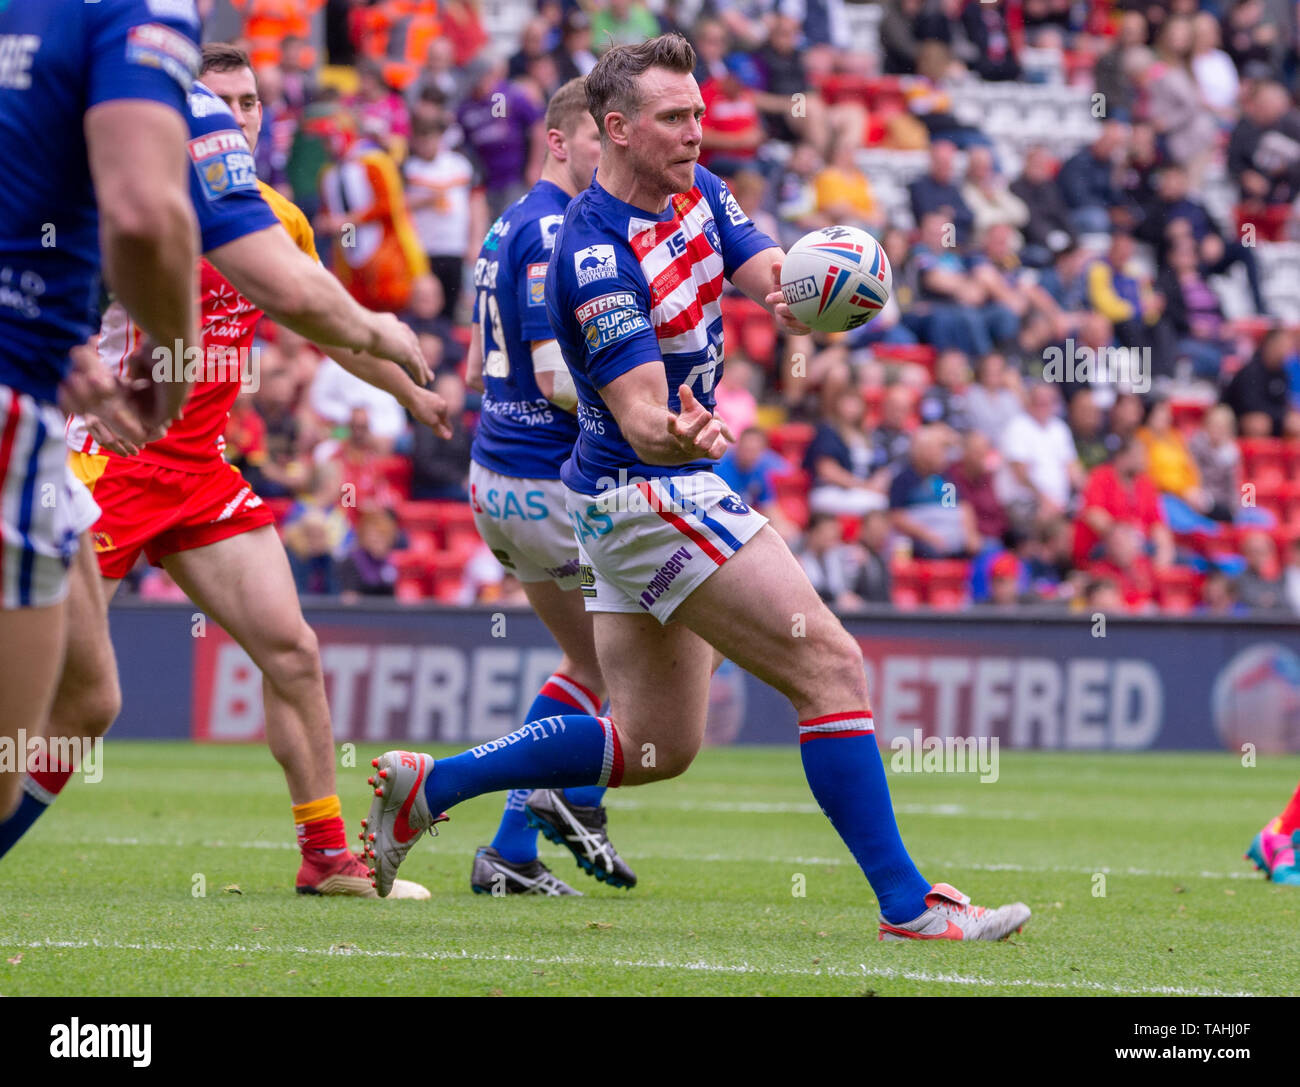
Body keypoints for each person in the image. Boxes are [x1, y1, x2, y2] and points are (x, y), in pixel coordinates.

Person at [362, 35, 1030, 940]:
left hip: (632, 493)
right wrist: (678, 430)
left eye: (699, 115)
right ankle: (910, 905)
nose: (695, 133)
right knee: (830, 666)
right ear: (616, 130)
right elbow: (640, 412)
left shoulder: (701, 192)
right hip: (650, 490)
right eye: (675, 119)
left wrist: (823, 285)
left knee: (651, 745)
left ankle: (432, 786)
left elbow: (772, 284)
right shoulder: (590, 252)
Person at [6, 46, 448, 898]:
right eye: (223, 103)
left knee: (292, 649)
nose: (240, 117)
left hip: (199, 471)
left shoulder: (274, 219)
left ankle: (326, 855)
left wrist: (411, 394)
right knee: (67, 695)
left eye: (250, 103)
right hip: (101, 467)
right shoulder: (124, 204)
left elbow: (324, 326)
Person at [0, 0, 201, 830]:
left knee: (85, 696)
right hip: (12, 391)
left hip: (37, 372)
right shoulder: (133, 9)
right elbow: (145, 214)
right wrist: (174, 356)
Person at [461, 77, 636, 895]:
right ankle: (562, 803)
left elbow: (475, 364)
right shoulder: (555, 228)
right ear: (560, 142)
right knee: (683, 647)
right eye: (600, 142)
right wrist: (641, 396)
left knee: (589, 661)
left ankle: (527, 838)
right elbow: (550, 375)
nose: (613, 159)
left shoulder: (502, 227)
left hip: (496, 476)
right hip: (546, 484)